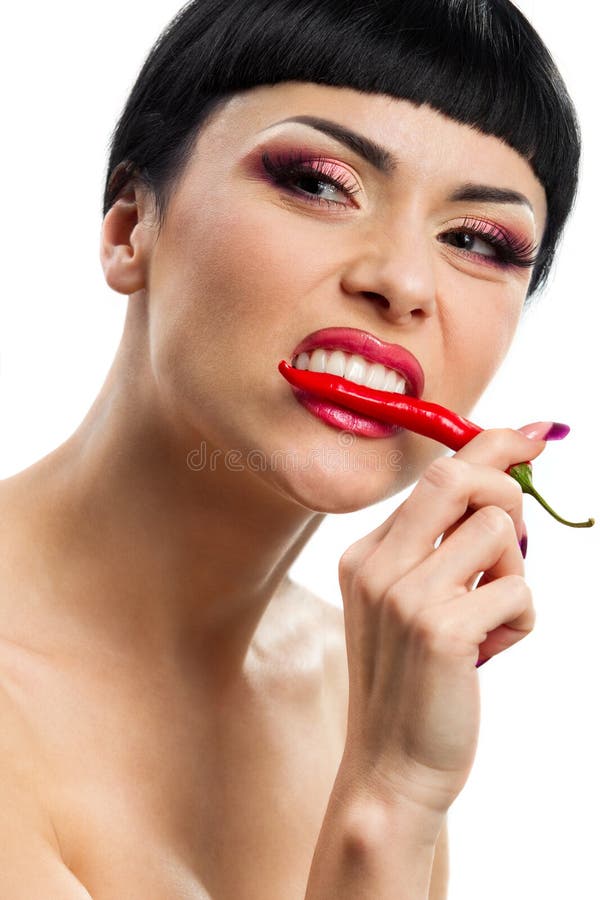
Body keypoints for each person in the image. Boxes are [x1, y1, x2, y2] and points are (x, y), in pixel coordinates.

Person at [0, 0, 581, 897]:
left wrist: (400, 790)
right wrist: (385, 806)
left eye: (476, 240)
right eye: (318, 182)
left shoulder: (372, 690)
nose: (399, 281)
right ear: (129, 227)